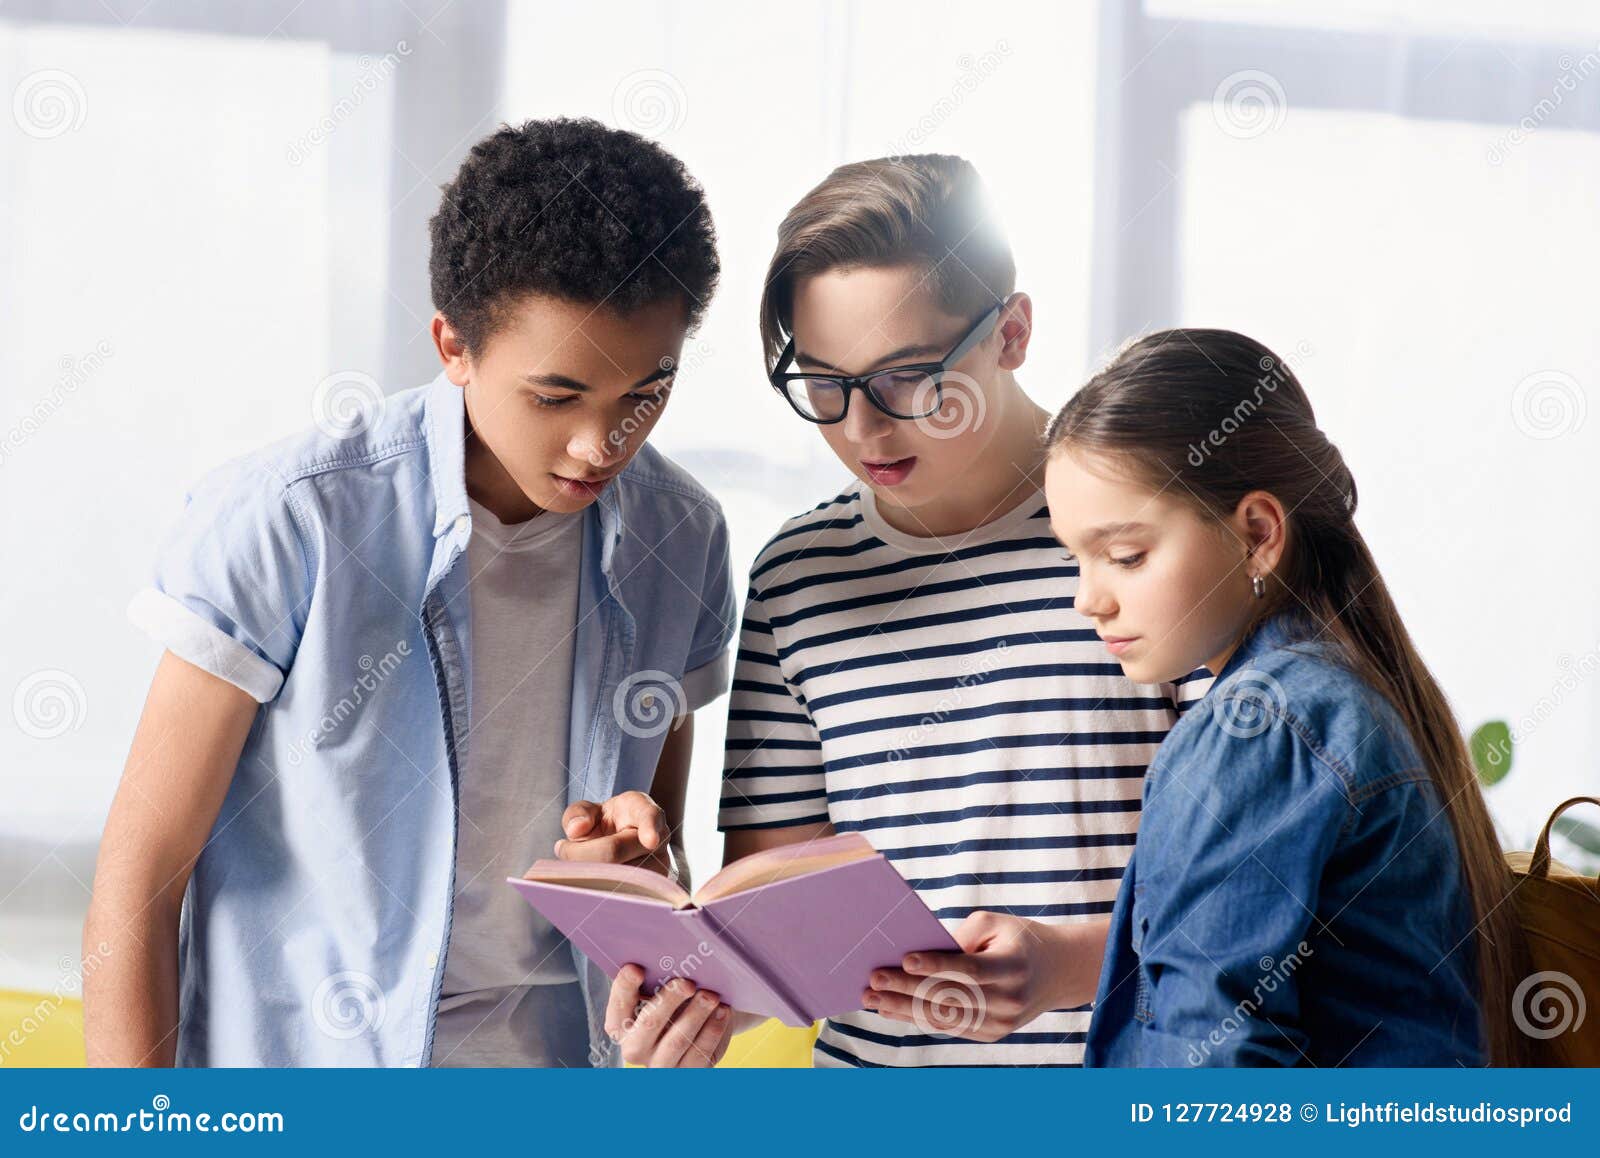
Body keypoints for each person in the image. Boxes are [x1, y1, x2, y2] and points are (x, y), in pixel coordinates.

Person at [84, 118, 734, 1067]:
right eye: (556, 398)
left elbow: (655, 874)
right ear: (453, 346)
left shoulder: (682, 535)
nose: (604, 445)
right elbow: (140, 877)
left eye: (646, 393)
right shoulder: (293, 518)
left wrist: (636, 874)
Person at [607, 154, 1208, 1067]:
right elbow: (781, 925)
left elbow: (1260, 887)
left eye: (907, 379)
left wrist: (1064, 968)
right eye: (823, 384)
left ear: (1011, 333)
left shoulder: (1151, 534)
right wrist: (688, 984)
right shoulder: (796, 578)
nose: (863, 430)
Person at [1044, 328, 1529, 1066]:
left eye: (1124, 556)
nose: (1089, 599)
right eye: (1075, 557)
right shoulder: (1347, 693)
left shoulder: (1258, 726)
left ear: (1258, 533)